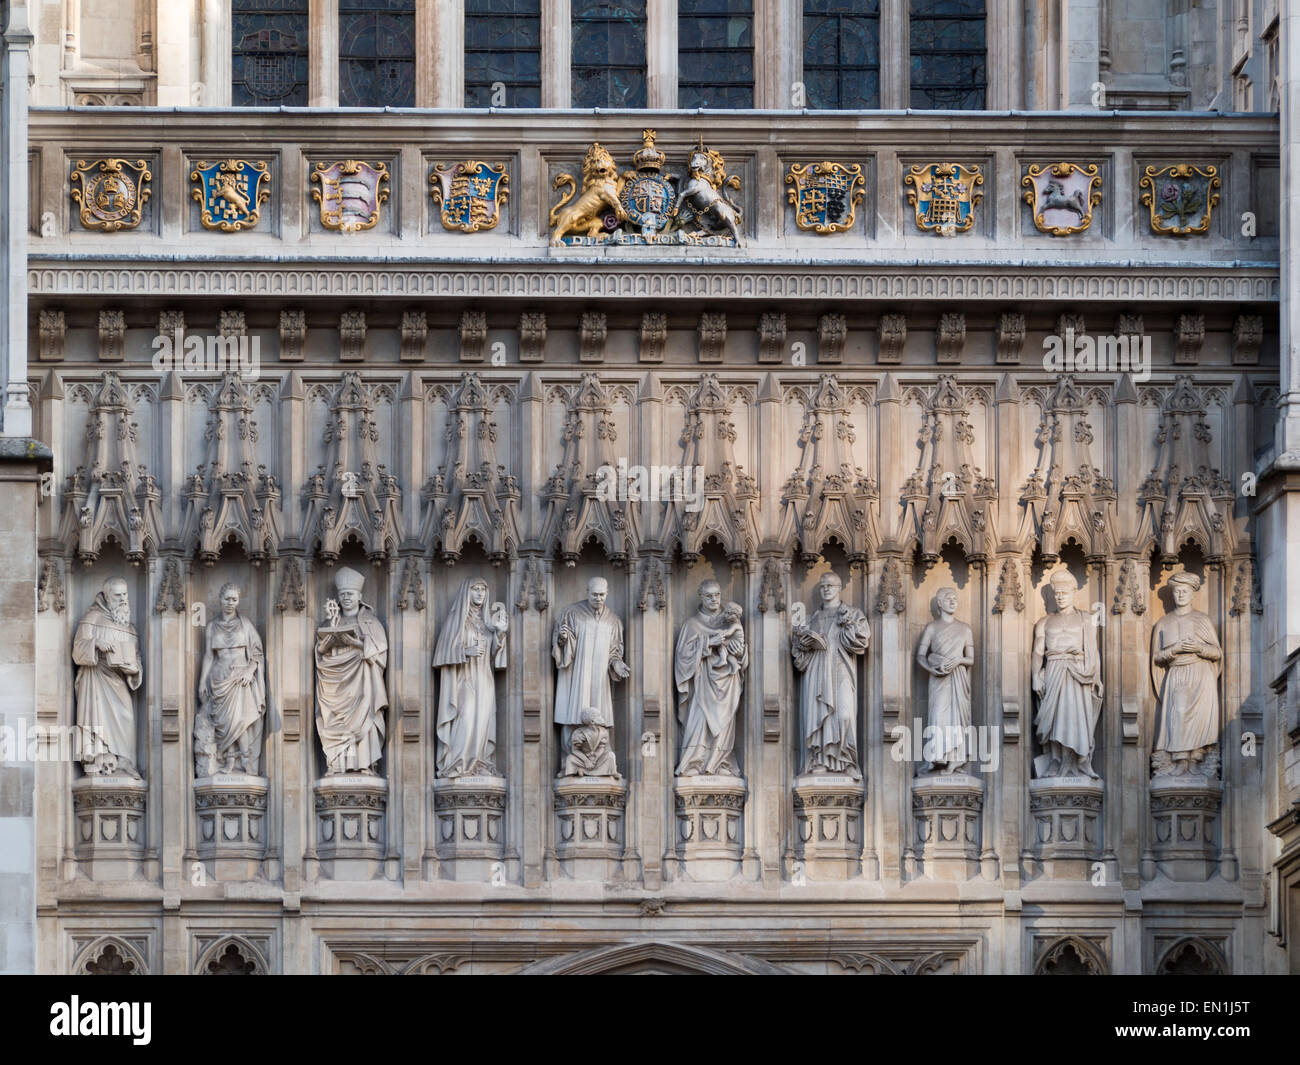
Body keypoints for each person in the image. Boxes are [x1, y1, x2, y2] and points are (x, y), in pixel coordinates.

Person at [791, 572, 869, 778]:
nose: (826, 589)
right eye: (823, 586)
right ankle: (820, 760)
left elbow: (862, 641)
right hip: (816, 675)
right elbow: (799, 657)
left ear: (840, 588)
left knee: (843, 714)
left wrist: (847, 626)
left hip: (841, 670)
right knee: (819, 718)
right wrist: (803, 644)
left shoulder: (851, 614)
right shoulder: (811, 619)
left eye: (831, 586)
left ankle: (847, 760)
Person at [552, 577, 629, 778]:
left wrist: (617, 664)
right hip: (576, 677)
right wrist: (562, 640)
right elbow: (563, 645)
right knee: (574, 714)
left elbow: (615, 652)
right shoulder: (571, 613)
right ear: (587, 592)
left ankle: (601, 765)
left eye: (602, 595)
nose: (598, 598)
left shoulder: (613, 620)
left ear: (607, 593)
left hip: (600, 680)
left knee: (599, 718)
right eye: (594, 594)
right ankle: (569, 762)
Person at [314, 566, 388, 775]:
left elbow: (379, 651)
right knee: (337, 721)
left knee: (363, 719)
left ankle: (364, 763)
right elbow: (320, 652)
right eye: (343, 594)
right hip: (335, 684)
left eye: (350, 594)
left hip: (362, 684)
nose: (346, 597)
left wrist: (356, 644)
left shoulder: (370, 622)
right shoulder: (330, 621)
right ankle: (338, 765)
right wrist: (328, 642)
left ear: (360, 596)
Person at [433, 577, 507, 778]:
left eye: (483, 589)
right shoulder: (456, 620)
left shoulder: (487, 623)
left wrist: (500, 634)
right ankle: (458, 763)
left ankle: (479, 762)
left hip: (484, 678)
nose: (480, 593)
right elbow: (443, 653)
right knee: (465, 718)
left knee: (482, 721)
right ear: (467, 592)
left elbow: (496, 657)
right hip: (463, 679)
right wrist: (466, 651)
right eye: (475, 589)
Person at [1031, 570, 1102, 778]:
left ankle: (1079, 762)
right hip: (1053, 669)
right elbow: (1037, 651)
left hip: (1078, 671)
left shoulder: (1086, 619)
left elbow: (1092, 650)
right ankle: (1056, 760)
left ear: (1073, 593)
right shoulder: (1044, 622)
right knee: (1053, 718)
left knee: (1076, 716)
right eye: (1057, 593)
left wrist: (1095, 677)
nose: (1060, 597)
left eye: (1065, 593)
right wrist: (1036, 675)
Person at [1151, 571, 1221, 777]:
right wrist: (1175, 649)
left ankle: (1196, 760)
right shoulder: (1164, 623)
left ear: (1192, 594)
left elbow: (1217, 653)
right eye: (1177, 591)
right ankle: (1180, 760)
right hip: (1178, 673)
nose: (1180, 595)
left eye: (1184, 591)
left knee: (1199, 718)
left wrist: (1199, 647)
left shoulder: (1202, 620)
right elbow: (1157, 657)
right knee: (1178, 714)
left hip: (1200, 675)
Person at [674, 582, 746, 777]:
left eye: (717, 595)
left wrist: (740, 653)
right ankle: (694, 762)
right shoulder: (692, 624)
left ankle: (719, 762)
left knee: (725, 723)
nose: (714, 600)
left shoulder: (730, 622)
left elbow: (742, 653)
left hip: (727, 681)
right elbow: (682, 658)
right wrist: (707, 643)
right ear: (701, 597)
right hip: (702, 681)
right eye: (709, 596)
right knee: (699, 719)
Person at [73, 577, 142, 777]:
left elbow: (137, 659)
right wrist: (96, 643)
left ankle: (124, 761)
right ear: (106, 596)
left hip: (119, 681)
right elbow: (78, 649)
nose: (122, 599)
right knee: (97, 720)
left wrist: (133, 670)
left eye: (125, 595)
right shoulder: (92, 618)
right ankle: (99, 760)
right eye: (117, 595)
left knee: (127, 717)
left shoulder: (130, 627)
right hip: (96, 679)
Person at [195, 583, 265, 776]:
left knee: (239, 722)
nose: (230, 603)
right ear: (220, 598)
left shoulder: (245, 624)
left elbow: (257, 652)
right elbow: (209, 656)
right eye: (227, 599)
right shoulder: (211, 627)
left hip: (240, 678)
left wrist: (250, 670)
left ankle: (245, 760)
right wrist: (202, 681)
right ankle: (229, 761)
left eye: (234, 599)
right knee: (223, 724)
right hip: (218, 678)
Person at [916, 587, 975, 773]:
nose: (952, 601)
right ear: (939, 603)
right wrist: (932, 669)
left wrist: (958, 660)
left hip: (958, 678)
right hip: (939, 680)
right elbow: (920, 655)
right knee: (938, 717)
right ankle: (936, 758)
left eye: (955, 598)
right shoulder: (932, 628)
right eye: (948, 598)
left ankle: (955, 760)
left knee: (957, 719)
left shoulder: (965, 629)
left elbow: (971, 659)